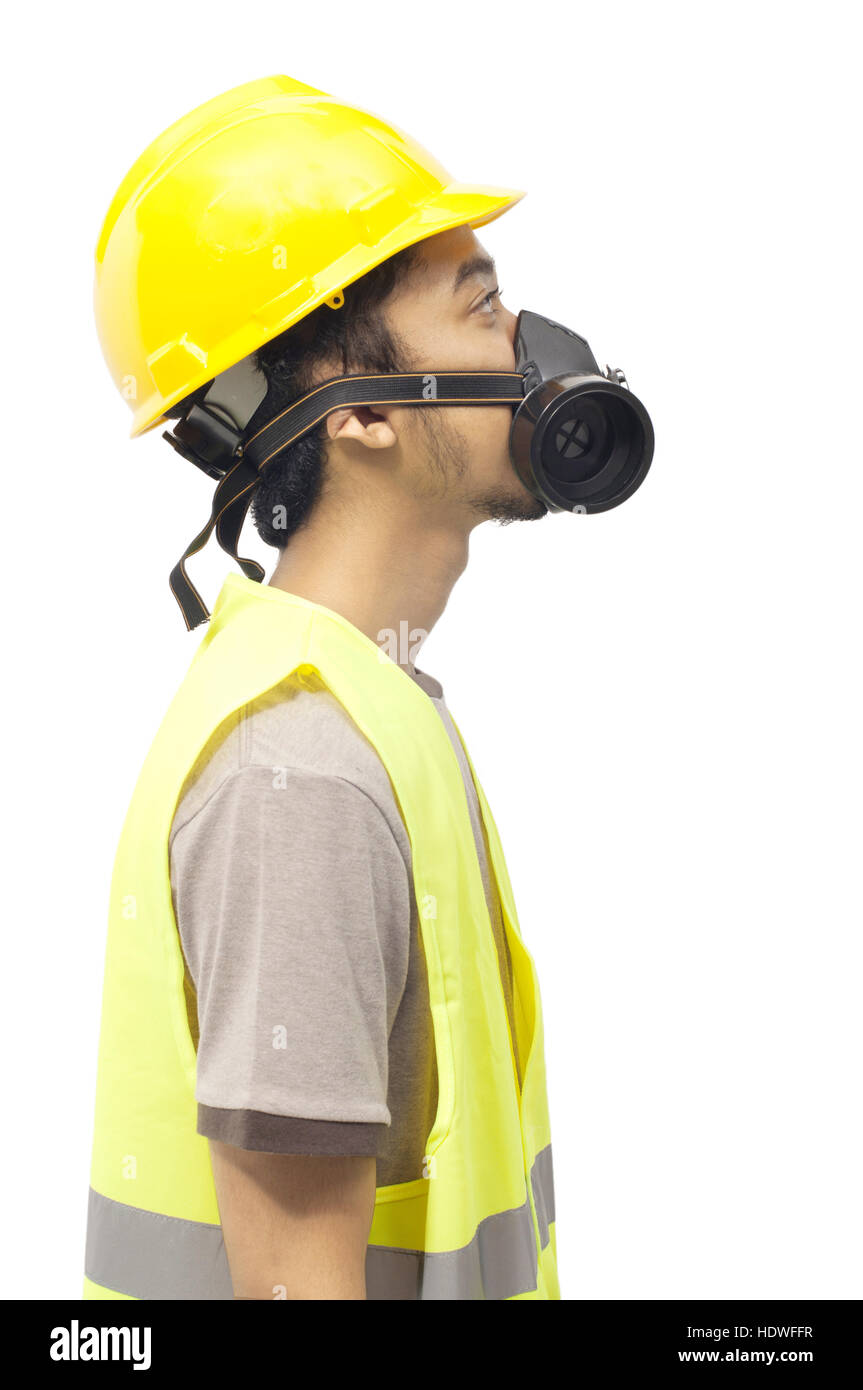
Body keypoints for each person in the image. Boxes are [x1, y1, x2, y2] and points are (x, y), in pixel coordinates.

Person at [84, 74, 560, 1302]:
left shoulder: (375, 706)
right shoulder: (302, 776)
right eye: (482, 308)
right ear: (358, 418)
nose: (528, 350)